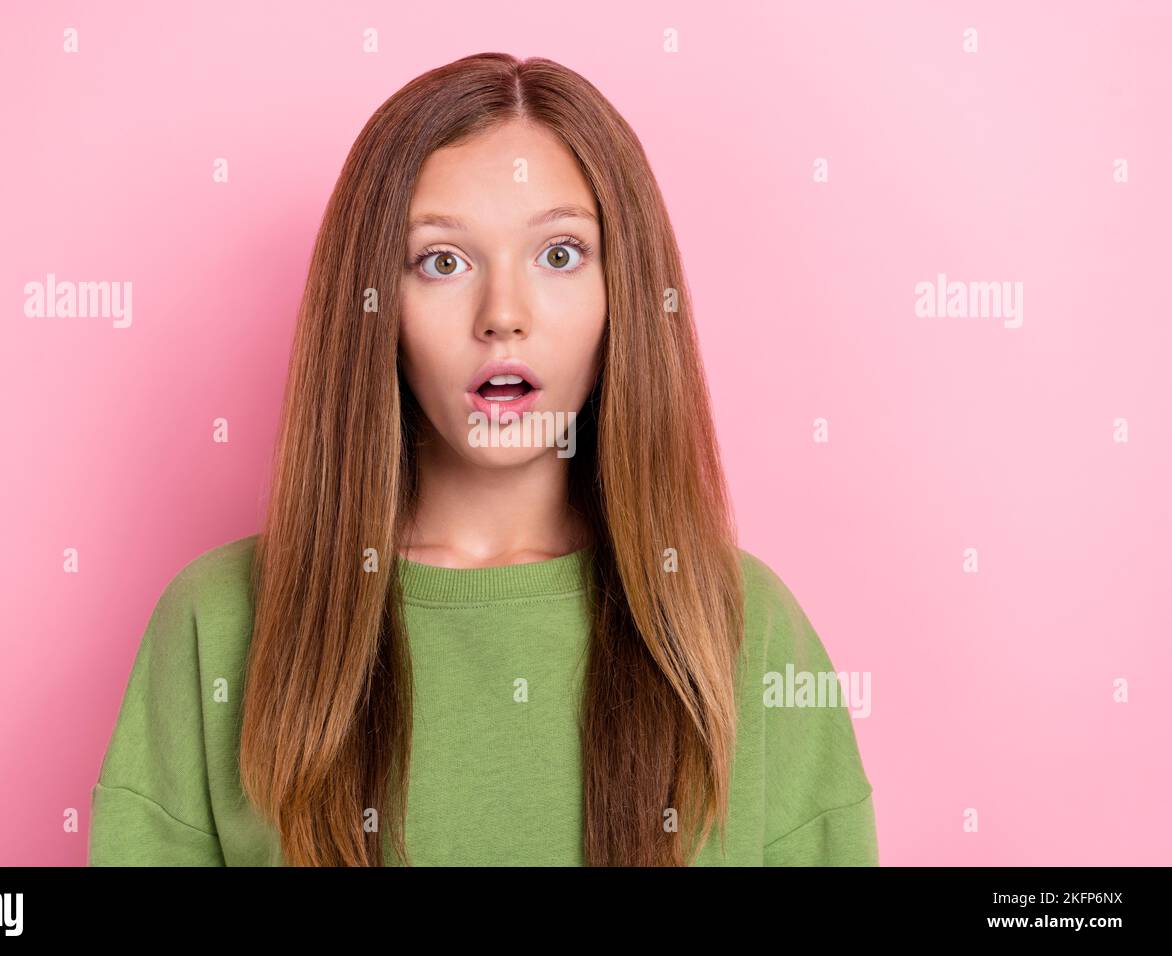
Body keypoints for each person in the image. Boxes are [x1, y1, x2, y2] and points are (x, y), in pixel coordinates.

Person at [88, 52, 878, 867]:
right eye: (442, 261)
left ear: (626, 294)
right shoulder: (217, 625)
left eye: (560, 254)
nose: (503, 314)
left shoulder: (746, 628)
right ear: (373, 309)